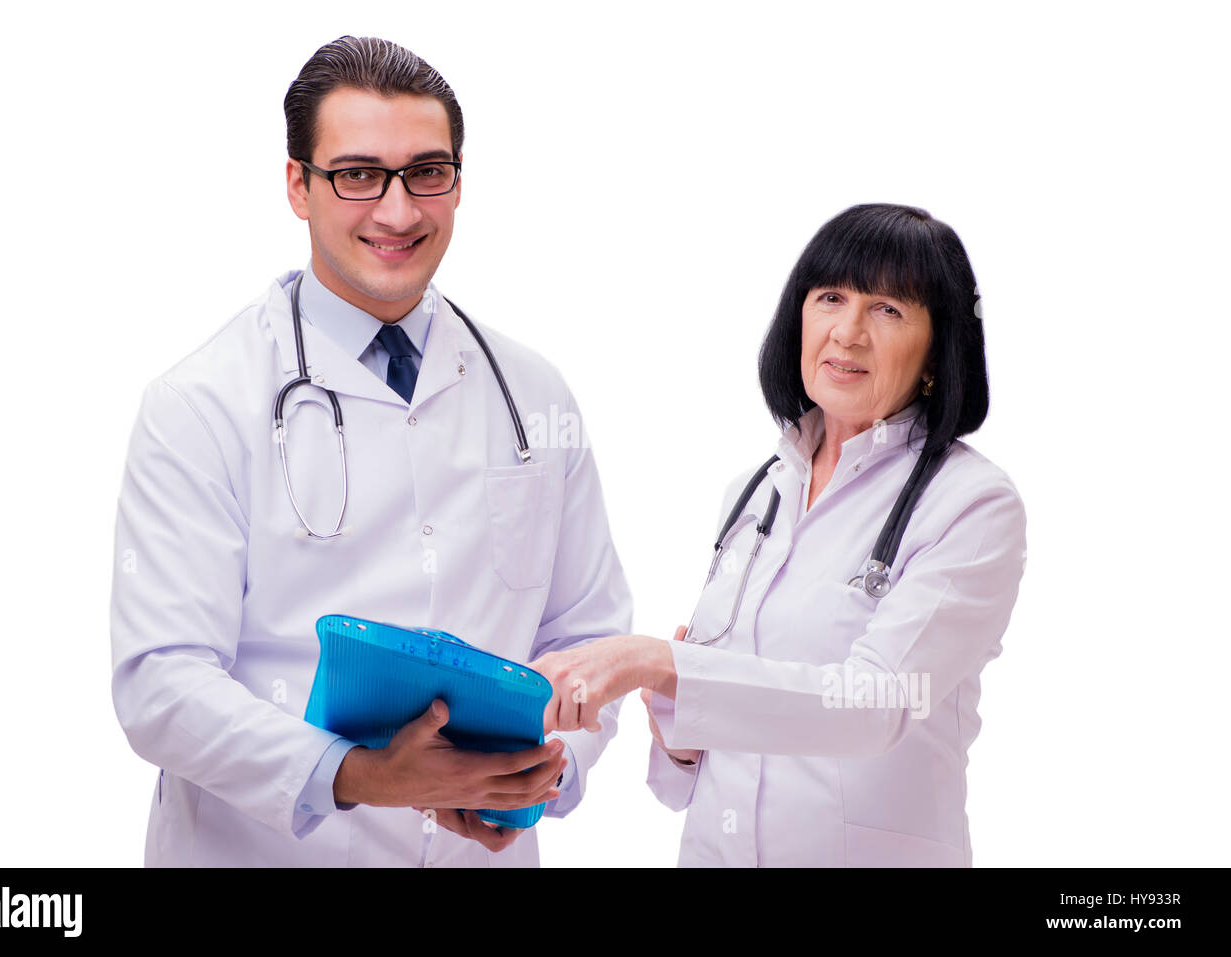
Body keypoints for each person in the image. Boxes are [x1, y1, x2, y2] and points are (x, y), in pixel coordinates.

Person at [109, 36, 631, 867]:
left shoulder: (533, 395)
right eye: (358, 175)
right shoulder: (199, 403)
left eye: (427, 172)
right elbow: (161, 683)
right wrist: (358, 775)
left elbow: (587, 630)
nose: (397, 212)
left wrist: (541, 775)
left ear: (459, 181)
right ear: (297, 185)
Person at [531, 204, 1026, 867]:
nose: (847, 331)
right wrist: (675, 724)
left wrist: (662, 663)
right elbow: (688, 772)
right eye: (830, 298)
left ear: (938, 352)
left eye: (887, 310)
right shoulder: (756, 490)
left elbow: (872, 703)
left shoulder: (972, 504)